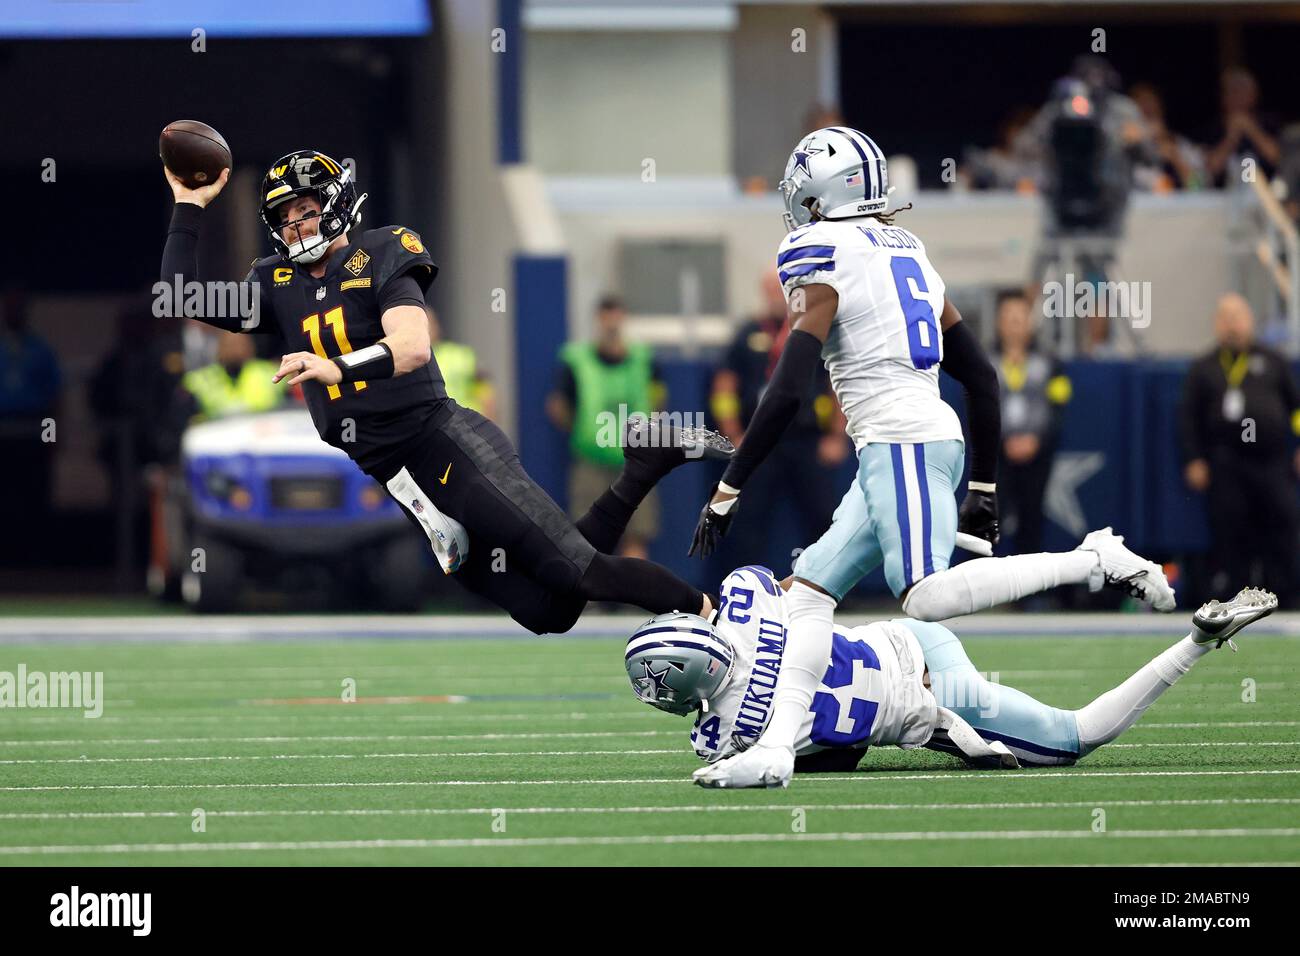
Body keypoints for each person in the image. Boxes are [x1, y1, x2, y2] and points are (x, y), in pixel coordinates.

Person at [686, 126, 1175, 789]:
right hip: (912, 440)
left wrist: (729, 485)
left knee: (924, 597)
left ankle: (1092, 559)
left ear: (823, 195)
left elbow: (788, 388)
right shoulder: (907, 248)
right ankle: (776, 750)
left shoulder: (817, 252)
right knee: (806, 596)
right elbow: (981, 376)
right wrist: (985, 486)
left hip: (902, 442)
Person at [159, 151, 731, 634]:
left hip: (446, 445)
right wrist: (189, 203)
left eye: (305, 210)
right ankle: (642, 468)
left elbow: (411, 346)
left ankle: (721, 618)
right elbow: (179, 297)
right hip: (400, 480)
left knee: (578, 571)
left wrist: (336, 367)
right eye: (284, 217)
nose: (296, 226)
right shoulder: (275, 281)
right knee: (548, 610)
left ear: (336, 204)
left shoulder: (382, 251)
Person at [625, 568, 1276, 779]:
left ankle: (1197, 640)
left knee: (1075, 736)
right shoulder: (744, 594)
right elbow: (810, 587)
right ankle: (1086, 562)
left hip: (933, 696)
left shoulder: (726, 734)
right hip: (907, 635)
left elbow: (840, 756)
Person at [709, 271, 849, 572]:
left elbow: (836, 384)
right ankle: (744, 584)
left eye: (782, 290)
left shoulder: (812, 329)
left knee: (822, 516)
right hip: (759, 442)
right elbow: (724, 388)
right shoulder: (747, 334)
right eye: (771, 289)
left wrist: (837, 435)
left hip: (806, 439)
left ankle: (825, 583)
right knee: (748, 519)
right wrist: (734, 435)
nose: (777, 296)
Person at [1179, 293, 1300, 602]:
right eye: (1226, 318)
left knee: (1282, 526)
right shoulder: (1204, 368)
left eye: (1238, 317)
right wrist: (1194, 459)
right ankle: (1238, 598)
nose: (1232, 325)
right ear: (1216, 324)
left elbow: (1296, 409)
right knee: (1232, 530)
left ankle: (1286, 596)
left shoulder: (1273, 362)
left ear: (1251, 321)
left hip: (1271, 462)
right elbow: (1189, 418)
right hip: (1227, 463)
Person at [547, 295, 664, 560]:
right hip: (591, 460)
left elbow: (658, 399)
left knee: (637, 534)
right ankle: (594, 587)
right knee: (588, 535)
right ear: (598, 319)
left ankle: (634, 586)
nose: (611, 323)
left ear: (623, 318)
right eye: (606, 316)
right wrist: (585, 434)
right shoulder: (577, 361)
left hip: (636, 461)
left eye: (616, 315)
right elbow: (558, 407)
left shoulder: (643, 359)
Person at [994, 292, 1071, 559]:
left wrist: (1037, 441)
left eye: (1020, 317)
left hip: (1037, 456)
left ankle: (1029, 582)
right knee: (989, 521)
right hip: (996, 458)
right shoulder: (983, 361)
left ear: (1030, 321)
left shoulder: (1052, 364)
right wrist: (1001, 443)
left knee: (1031, 520)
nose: (1015, 323)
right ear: (999, 322)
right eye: (1009, 317)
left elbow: (1059, 408)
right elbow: (973, 408)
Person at [178, 330, 284, 421]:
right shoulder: (200, 379)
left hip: (263, 432)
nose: (234, 349)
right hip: (216, 433)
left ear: (250, 347)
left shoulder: (272, 372)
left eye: (240, 344)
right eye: (229, 344)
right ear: (219, 348)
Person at [1204, 68, 1282, 188]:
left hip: (1268, 190)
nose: (1238, 97)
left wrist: (1251, 129)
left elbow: (1278, 158)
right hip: (1224, 193)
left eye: (1243, 91)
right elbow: (1210, 169)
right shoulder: (1215, 128)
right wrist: (1231, 137)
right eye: (1233, 91)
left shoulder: (1268, 123)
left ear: (1254, 94)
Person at [426, 306, 496, 420]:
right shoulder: (409, 364)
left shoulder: (461, 355)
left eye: (429, 324)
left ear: (436, 326)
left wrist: (488, 422)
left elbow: (486, 392)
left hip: (468, 424)